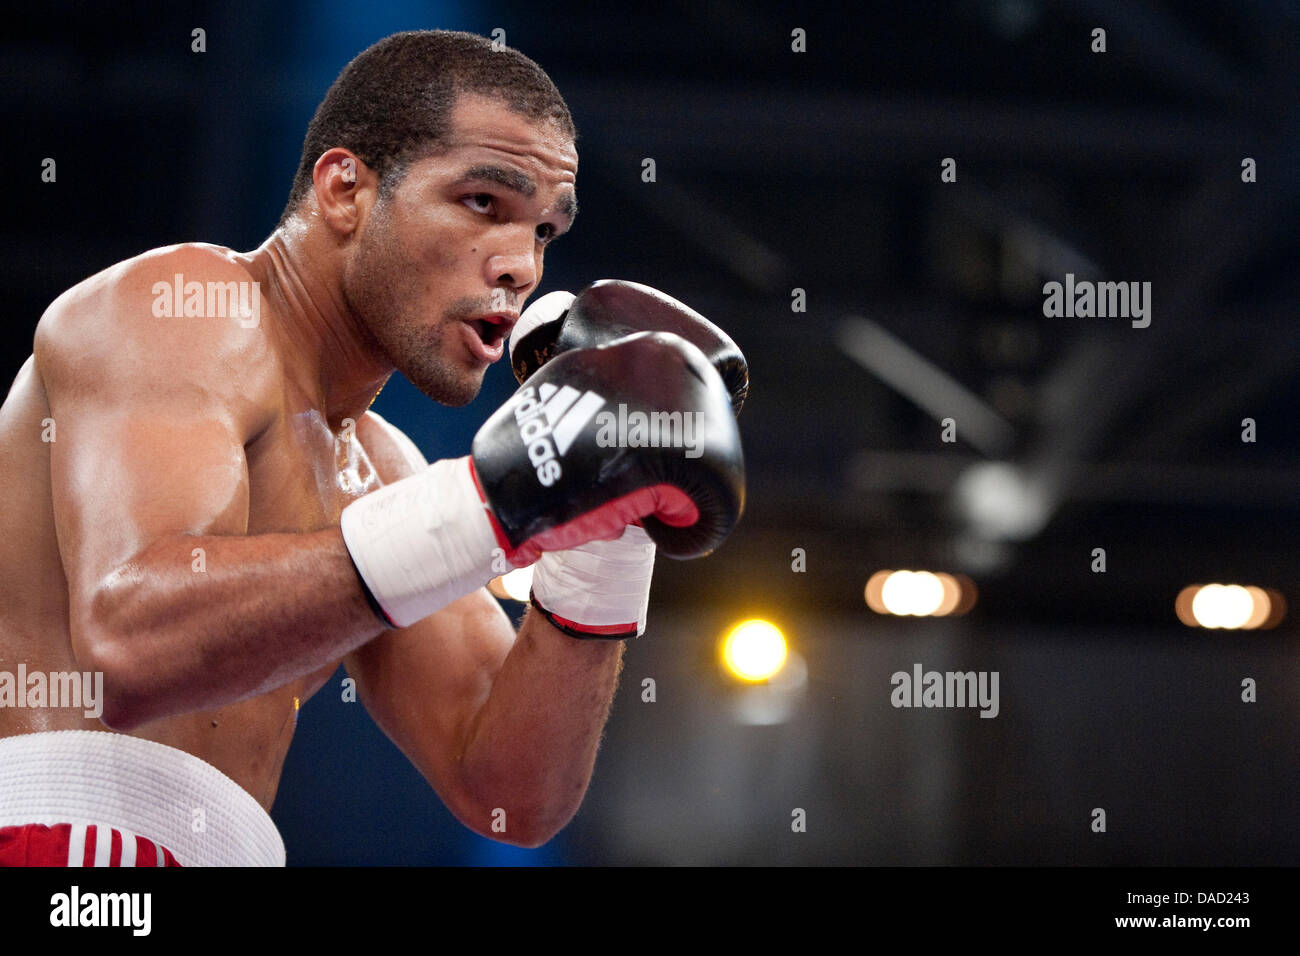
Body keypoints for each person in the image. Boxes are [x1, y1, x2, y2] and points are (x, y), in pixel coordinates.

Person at [0, 29, 744, 867]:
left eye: (543, 231)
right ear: (346, 190)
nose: (519, 265)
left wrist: (607, 526)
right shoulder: (187, 310)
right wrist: (508, 498)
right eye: (482, 204)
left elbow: (510, 793)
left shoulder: (385, 476)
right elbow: (129, 647)